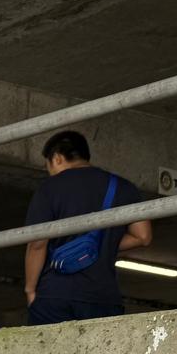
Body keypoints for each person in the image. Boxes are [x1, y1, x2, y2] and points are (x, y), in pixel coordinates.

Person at [22, 130, 152, 325]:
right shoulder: (123, 187)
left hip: (56, 295)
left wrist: (30, 289)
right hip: (104, 297)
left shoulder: (50, 187)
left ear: (57, 158)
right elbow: (143, 237)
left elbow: (37, 243)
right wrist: (105, 244)